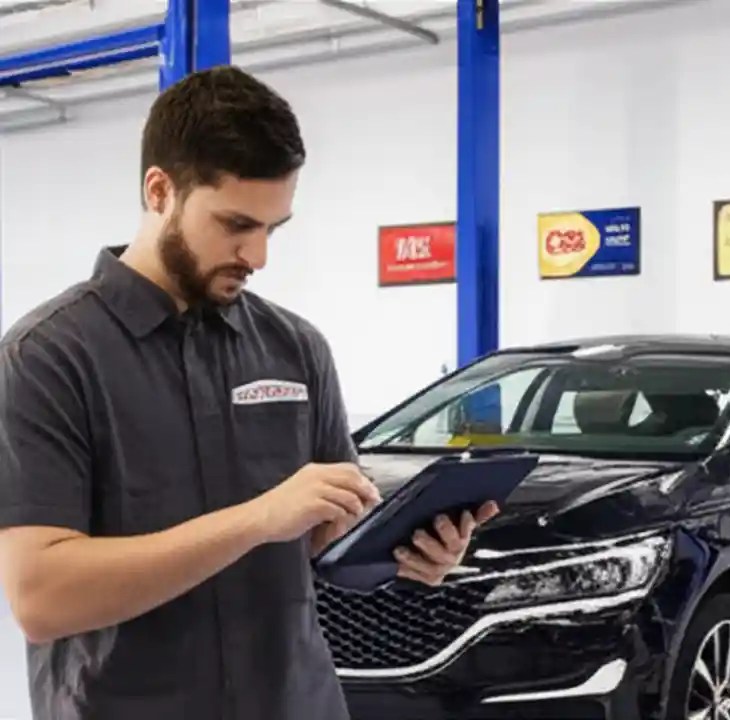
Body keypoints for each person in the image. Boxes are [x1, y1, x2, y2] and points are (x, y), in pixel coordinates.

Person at [0, 65, 498, 720]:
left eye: (273, 228)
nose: (258, 255)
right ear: (159, 191)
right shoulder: (48, 359)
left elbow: (329, 543)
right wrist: (258, 518)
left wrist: (408, 557)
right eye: (236, 224)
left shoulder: (296, 348)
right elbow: (44, 598)